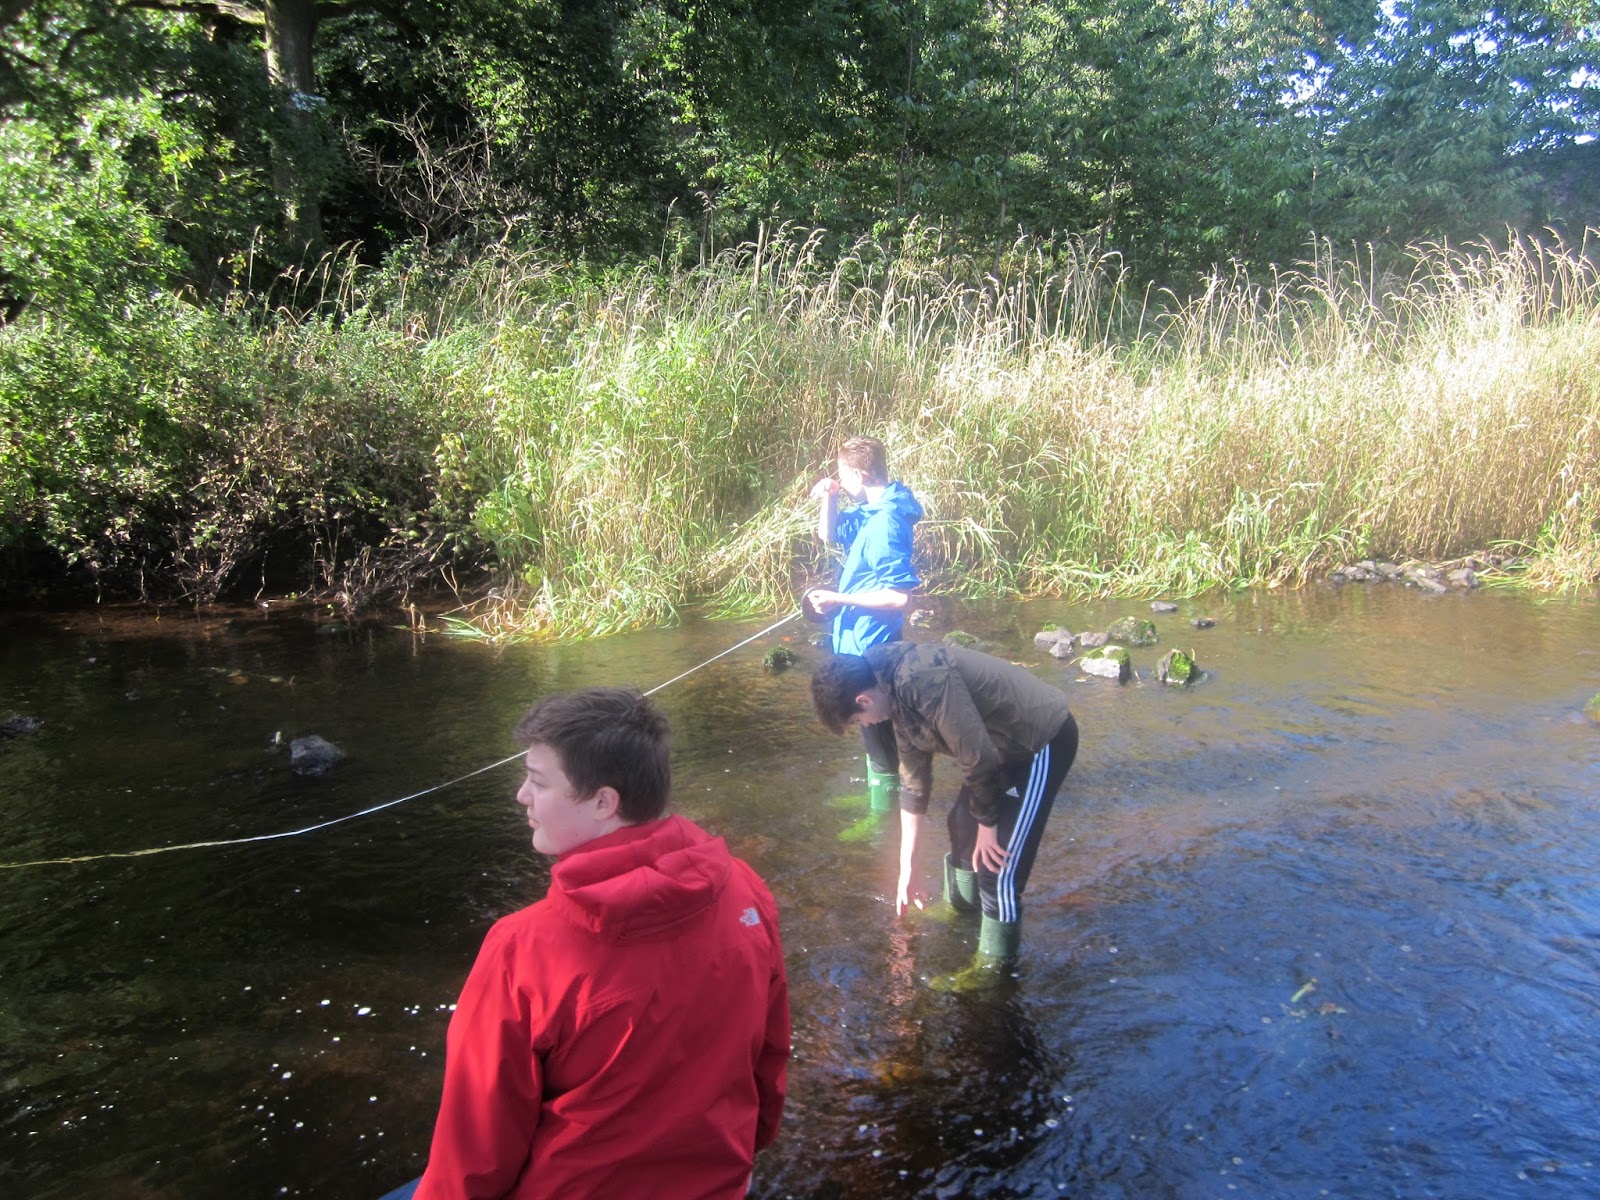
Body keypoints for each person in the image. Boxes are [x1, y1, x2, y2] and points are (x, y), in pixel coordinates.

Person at [392, 688, 790, 1200]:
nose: (521, 796)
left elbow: (474, 1155)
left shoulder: (522, 948)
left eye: (538, 782)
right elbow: (770, 1054)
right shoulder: (745, 889)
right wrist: (740, 1160)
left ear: (604, 801)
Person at [809, 642, 1078, 978]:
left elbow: (977, 757)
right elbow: (914, 784)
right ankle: (962, 912)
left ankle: (994, 968)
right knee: (961, 827)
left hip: (1038, 742)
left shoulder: (921, 678)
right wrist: (908, 869)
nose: (864, 726)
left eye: (856, 720)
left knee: (998, 868)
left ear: (863, 700)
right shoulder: (893, 693)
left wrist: (989, 826)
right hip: (996, 752)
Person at [804, 436, 923, 780]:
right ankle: (882, 800)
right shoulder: (870, 511)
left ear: (863, 473)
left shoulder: (886, 522)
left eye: (845, 477)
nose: (843, 482)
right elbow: (828, 535)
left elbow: (900, 597)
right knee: (871, 735)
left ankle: (885, 815)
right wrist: (830, 496)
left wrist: (839, 600)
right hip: (858, 639)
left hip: (875, 645)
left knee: (879, 730)